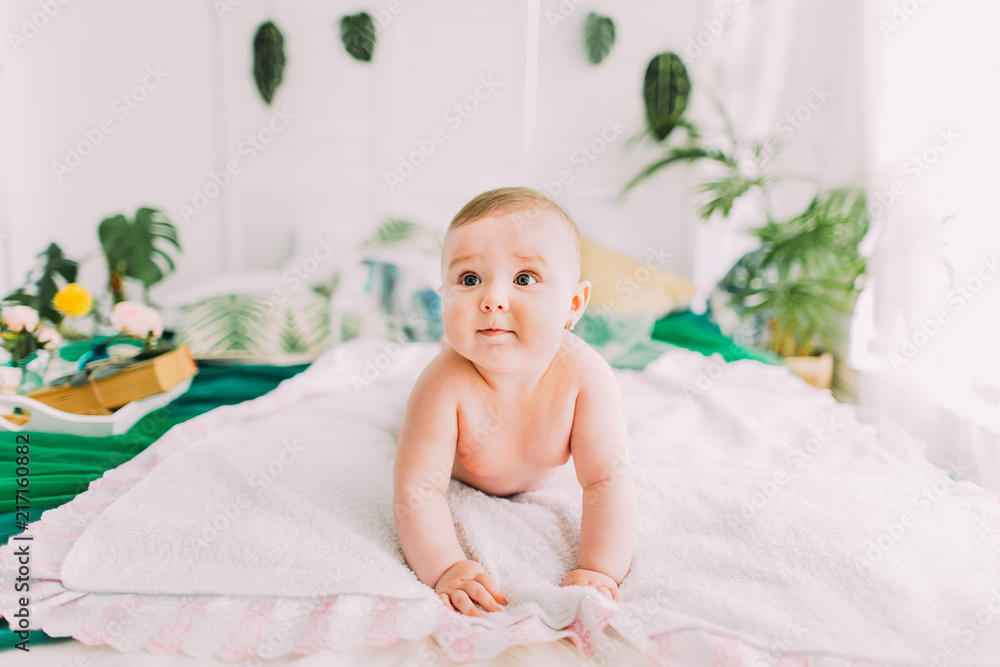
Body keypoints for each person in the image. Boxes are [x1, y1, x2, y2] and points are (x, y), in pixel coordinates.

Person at [392, 187, 637, 618]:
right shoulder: (441, 384)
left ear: (574, 305)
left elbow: (606, 480)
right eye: (469, 280)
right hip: (462, 465)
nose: (492, 300)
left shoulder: (585, 377)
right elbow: (419, 489)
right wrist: (448, 567)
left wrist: (600, 569)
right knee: (406, 420)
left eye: (524, 279)